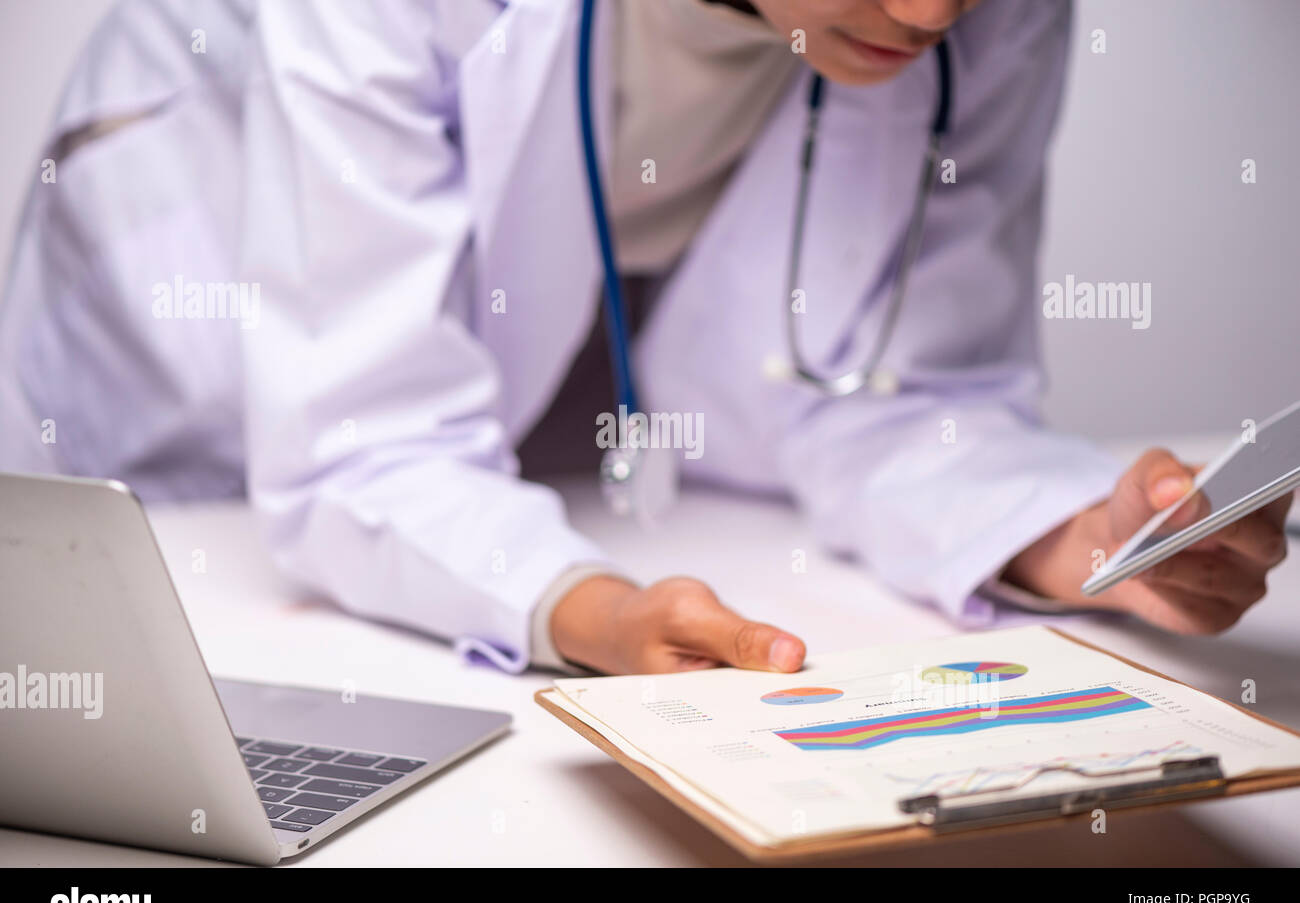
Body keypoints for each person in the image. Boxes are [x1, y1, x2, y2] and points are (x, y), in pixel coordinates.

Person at [0, 0, 1288, 677]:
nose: (932, 9)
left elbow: (886, 382)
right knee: (153, 707)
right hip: (184, 317)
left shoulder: (986, 14)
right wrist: (586, 611)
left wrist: (1073, 537)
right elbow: (360, 444)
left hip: (542, 352)